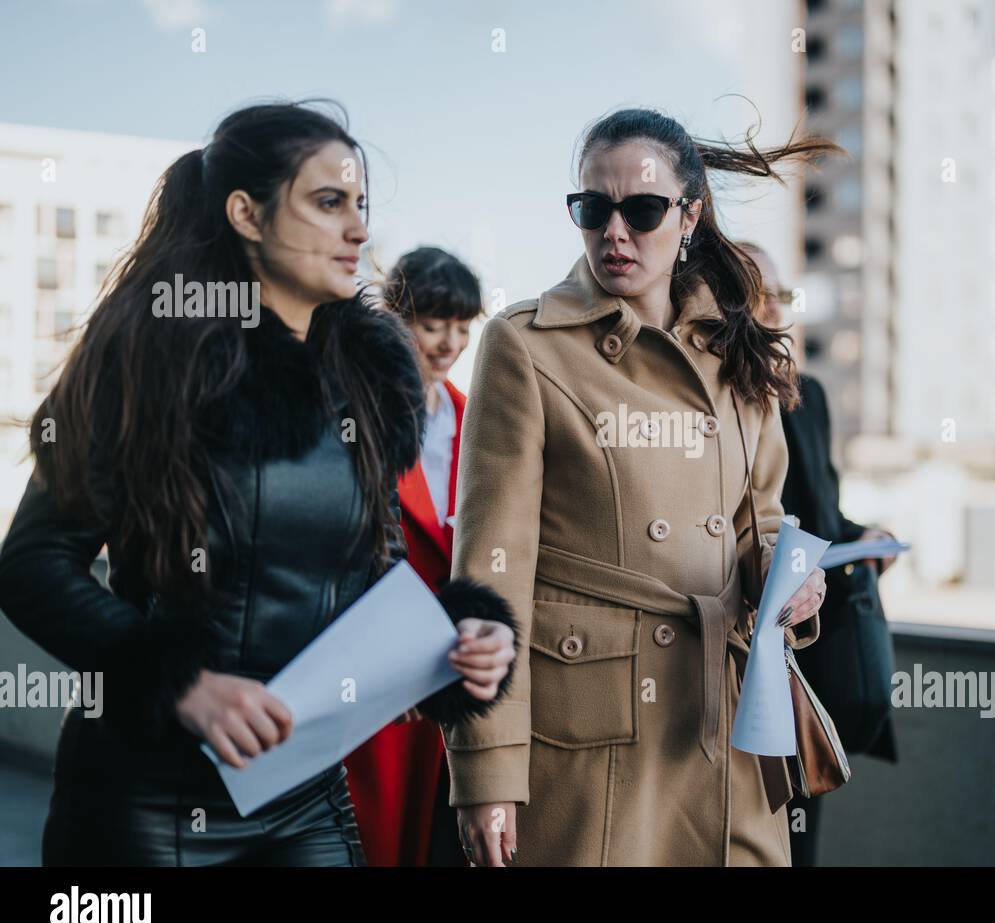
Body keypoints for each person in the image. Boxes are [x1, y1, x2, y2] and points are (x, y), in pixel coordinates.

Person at [0, 102, 516, 866]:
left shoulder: (371, 382)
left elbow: (364, 576)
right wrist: (180, 683)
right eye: (329, 202)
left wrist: (462, 638)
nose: (360, 231)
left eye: (361, 205)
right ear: (247, 213)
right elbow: (32, 564)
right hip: (150, 806)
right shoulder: (146, 359)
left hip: (308, 799)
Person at [442, 107, 843, 866]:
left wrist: (793, 579)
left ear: (688, 215)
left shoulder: (738, 351)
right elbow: (488, 571)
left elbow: (759, 521)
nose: (614, 232)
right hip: (593, 737)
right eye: (593, 208)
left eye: (643, 209)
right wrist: (486, 769)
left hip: (722, 725)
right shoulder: (526, 345)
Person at [740, 241, 900, 867]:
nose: (779, 310)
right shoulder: (741, 397)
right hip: (753, 646)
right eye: (763, 297)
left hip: (807, 645)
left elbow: (817, 514)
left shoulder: (808, 395)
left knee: (799, 826)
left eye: (784, 296)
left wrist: (864, 538)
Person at [344, 246, 480, 867]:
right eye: (433, 323)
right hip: (375, 646)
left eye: (462, 325)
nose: (450, 340)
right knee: (377, 820)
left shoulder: (474, 414)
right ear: (397, 319)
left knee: (437, 827)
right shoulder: (358, 410)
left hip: (455, 651)